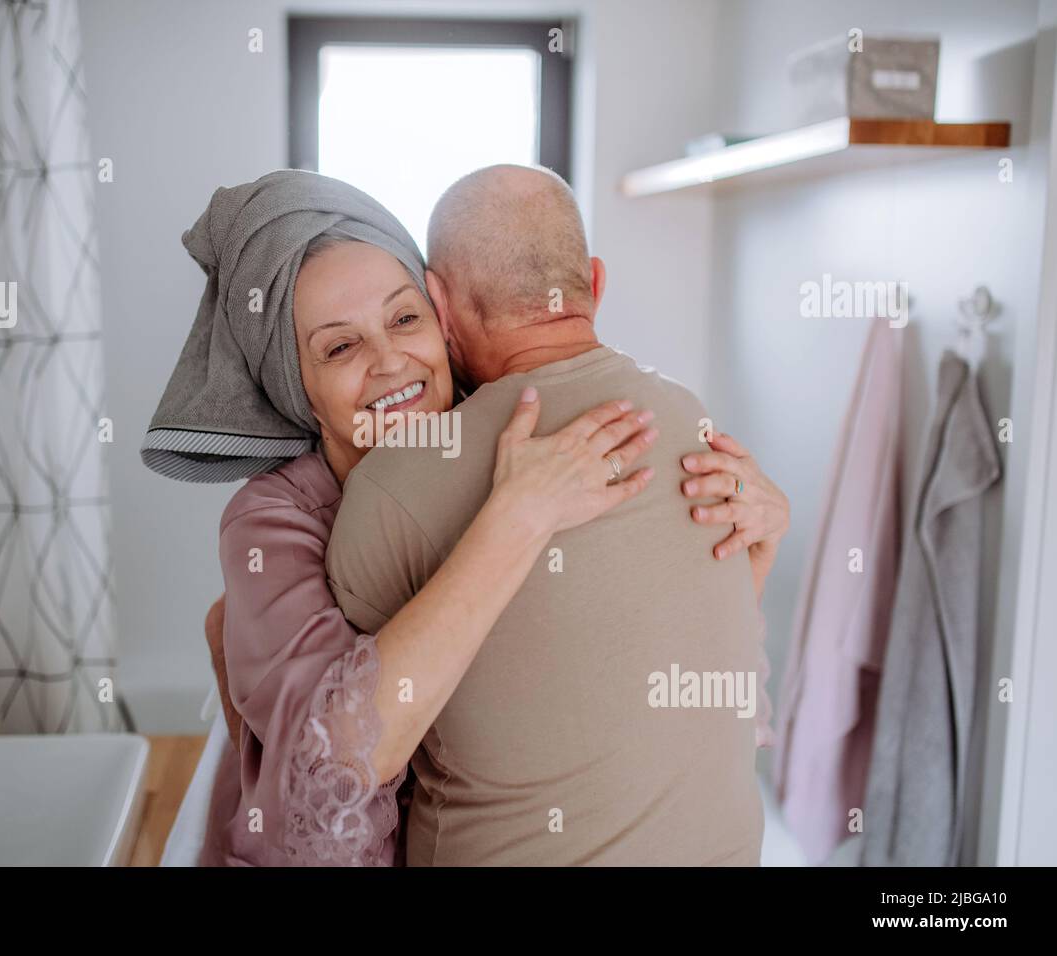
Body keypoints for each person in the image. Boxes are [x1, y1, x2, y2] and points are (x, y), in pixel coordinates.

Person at [142, 169, 785, 866]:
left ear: (441, 317)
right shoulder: (270, 521)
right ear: (296, 387)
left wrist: (756, 537)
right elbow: (328, 770)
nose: (391, 363)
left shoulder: (519, 431)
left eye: (404, 318)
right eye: (339, 346)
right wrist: (517, 518)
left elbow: (633, 653)